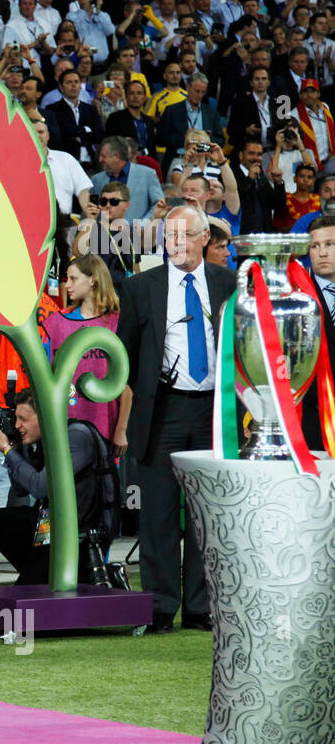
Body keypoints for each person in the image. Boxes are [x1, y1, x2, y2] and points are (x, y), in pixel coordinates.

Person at [117, 206, 235, 634]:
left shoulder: (229, 283)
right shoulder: (139, 287)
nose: (176, 242)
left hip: (213, 411)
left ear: (205, 238)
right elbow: (123, 354)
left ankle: (201, 608)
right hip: (161, 411)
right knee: (158, 514)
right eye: (169, 235)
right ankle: (161, 607)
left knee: (207, 514)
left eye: (185, 234)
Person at [0, 388, 113, 585]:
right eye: (16, 419)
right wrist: (16, 448)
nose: (17, 425)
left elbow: (40, 487)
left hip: (80, 532)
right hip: (49, 523)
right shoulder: (42, 441)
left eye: (23, 419)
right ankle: (37, 569)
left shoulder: (76, 436)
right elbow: (21, 489)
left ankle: (49, 572)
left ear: (46, 416)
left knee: (25, 598)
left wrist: (7, 450)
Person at [44, 254, 132, 448]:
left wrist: (121, 429)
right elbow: (44, 378)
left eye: (73, 279)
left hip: (107, 427)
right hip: (63, 426)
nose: (67, 286)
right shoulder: (55, 323)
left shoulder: (118, 323)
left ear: (93, 279)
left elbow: (128, 384)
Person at [303, 215, 335, 451]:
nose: (322, 253)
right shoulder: (295, 295)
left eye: (330, 244)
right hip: (312, 417)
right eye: (315, 246)